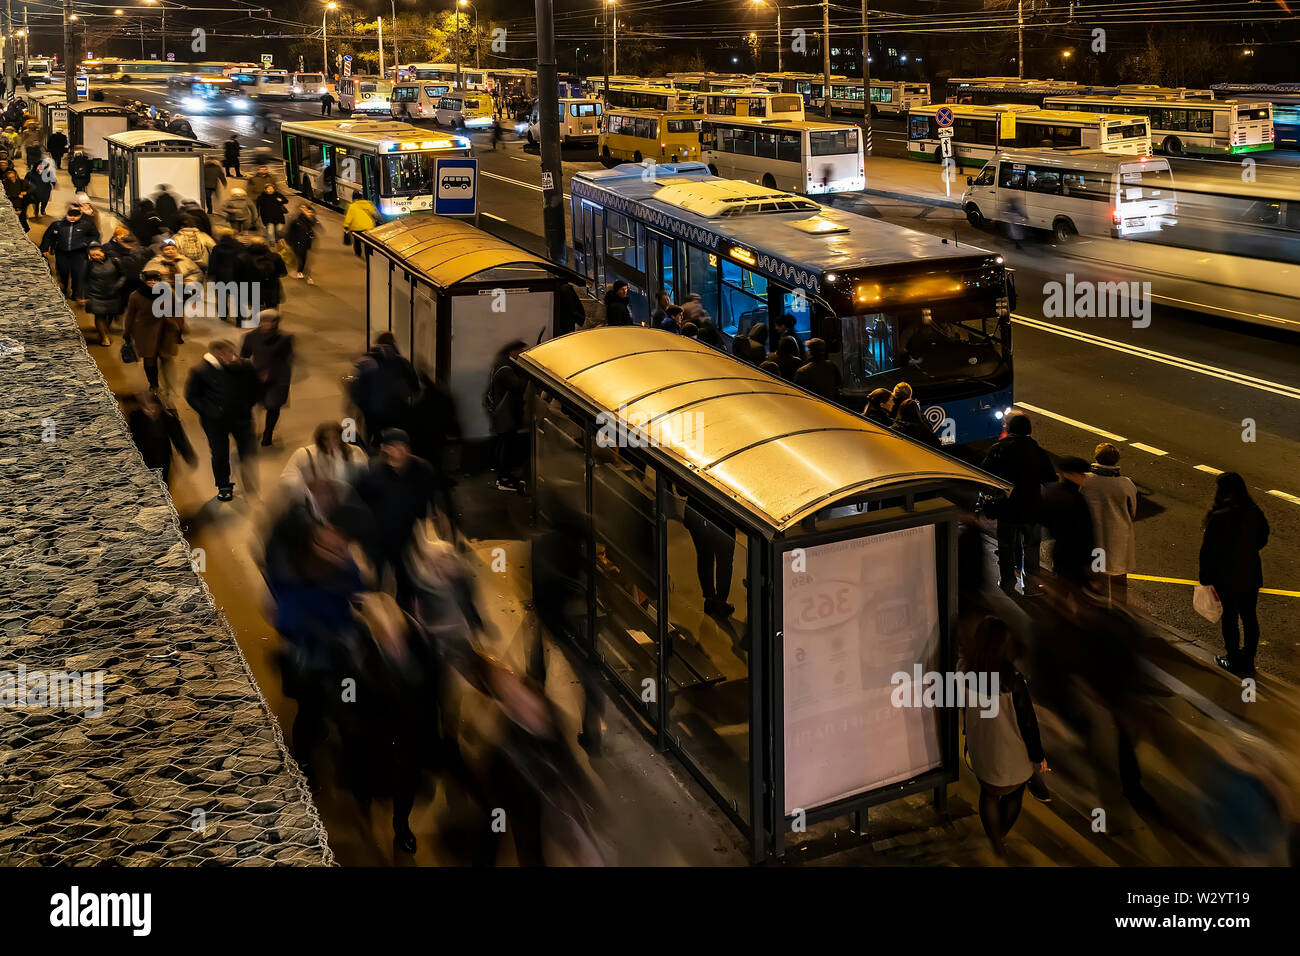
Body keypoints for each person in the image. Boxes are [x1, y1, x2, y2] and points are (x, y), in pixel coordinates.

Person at [961, 616, 1047, 859]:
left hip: (981, 750)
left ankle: (994, 840)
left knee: (987, 793)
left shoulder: (963, 672)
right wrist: (1038, 755)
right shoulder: (1012, 682)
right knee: (1014, 794)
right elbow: (1028, 723)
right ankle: (1001, 836)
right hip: (1012, 756)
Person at [355, 428, 446, 608]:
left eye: (403, 446)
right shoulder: (373, 473)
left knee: (406, 581)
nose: (400, 451)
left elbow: (430, 501)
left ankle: (407, 613)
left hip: (407, 538)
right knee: (373, 581)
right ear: (385, 448)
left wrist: (433, 530)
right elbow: (360, 502)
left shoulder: (423, 470)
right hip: (378, 538)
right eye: (394, 446)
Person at [980, 411, 1057, 597]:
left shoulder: (998, 449)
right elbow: (1050, 479)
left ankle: (1007, 581)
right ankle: (1029, 585)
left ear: (1009, 429)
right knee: (1031, 547)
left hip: (1007, 508)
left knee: (1005, 545)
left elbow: (984, 473)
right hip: (1032, 508)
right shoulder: (1037, 451)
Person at [1200, 472, 1270, 676]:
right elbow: (1262, 538)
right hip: (1250, 572)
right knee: (1249, 616)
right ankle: (1248, 658)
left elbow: (1208, 551)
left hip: (1225, 576)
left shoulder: (1218, 516)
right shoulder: (1253, 510)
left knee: (1230, 617)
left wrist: (1205, 577)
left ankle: (1232, 657)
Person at [184, 339, 260, 502]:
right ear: (217, 353)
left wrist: (248, 404)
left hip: (241, 417)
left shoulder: (244, 367)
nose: (233, 356)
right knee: (220, 454)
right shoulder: (201, 371)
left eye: (233, 352)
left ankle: (246, 473)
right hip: (216, 422)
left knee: (247, 448)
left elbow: (255, 387)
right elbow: (192, 396)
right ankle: (224, 485)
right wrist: (210, 411)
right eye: (228, 352)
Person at [1081, 442, 1138, 605]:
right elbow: (1132, 512)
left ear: (1096, 458)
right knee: (1119, 584)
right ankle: (1120, 616)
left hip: (1095, 539)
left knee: (1098, 583)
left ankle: (1099, 616)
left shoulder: (1086, 481)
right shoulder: (1126, 484)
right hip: (1119, 540)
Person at [349, 332, 419, 446]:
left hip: (372, 414)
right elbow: (415, 388)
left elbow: (354, 389)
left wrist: (361, 408)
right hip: (398, 412)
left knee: (374, 442)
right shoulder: (403, 362)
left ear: (377, 343)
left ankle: (375, 457)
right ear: (393, 344)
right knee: (395, 442)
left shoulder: (363, 362)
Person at [124, 271, 186, 395]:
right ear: (144, 281)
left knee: (166, 357)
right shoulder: (135, 296)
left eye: (155, 280)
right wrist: (127, 332)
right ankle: (153, 384)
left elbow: (177, 311)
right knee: (149, 360)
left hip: (166, 330)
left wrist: (179, 329)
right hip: (145, 331)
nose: (152, 282)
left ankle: (170, 387)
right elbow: (130, 315)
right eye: (149, 280)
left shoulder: (169, 293)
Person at [240, 309, 294, 446]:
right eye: (263, 321)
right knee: (251, 404)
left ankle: (268, 432)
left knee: (273, 406)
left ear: (275, 323)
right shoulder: (251, 336)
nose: (266, 324)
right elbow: (245, 355)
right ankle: (252, 431)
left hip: (277, 377)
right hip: (257, 376)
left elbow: (286, 359)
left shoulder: (284, 338)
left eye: (270, 321)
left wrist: (270, 373)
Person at [1040, 456, 1096, 588]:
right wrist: (1093, 562)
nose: (1085, 477)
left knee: (1063, 588)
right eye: (1081, 474)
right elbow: (1087, 533)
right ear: (1071, 475)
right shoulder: (1076, 499)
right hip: (1076, 555)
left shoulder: (1050, 490)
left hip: (1059, 550)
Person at [126, 389, 196, 485]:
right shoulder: (136, 418)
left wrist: (187, 454)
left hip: (163, 458)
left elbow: (178, 438)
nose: (152, 411)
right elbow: (132, 438)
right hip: (144, 458)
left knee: (164, 483)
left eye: (154, 407)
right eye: (148, 409)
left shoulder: (168, 419)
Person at [485, 340, 529, 492]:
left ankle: (504, 476)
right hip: (505, 416)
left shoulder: (501, 364)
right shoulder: (505, 369)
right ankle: (503, 479)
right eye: (520, 351)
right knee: (505, 446)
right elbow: (518, 385)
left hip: (503, 414)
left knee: (504, 445)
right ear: (512, 351)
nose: (521, 354)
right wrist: (525, 372)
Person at [281, 422, 368, 497]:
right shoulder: (305, 453)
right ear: (319, 440)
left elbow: (363, 475)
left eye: (335, 438)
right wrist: (305, 489)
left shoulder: (354, 451)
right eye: (326, 439)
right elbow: (288, 478)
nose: (331, 442)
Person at [39, 204, 98, 300]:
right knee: (63, 271)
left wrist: (86, 243)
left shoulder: (86, 225)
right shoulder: (58, 225)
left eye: (76, 216)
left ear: (80, 216)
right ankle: (64, 287)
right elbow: (48, 236)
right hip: (62, 253)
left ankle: (76, 293)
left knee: (78, 274)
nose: (73, 218)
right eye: (70, 216)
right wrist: (44, 248)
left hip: (79, 253)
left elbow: (94, 235)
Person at [84, 241, 125, 347]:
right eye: (92, 255)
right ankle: (104, 337)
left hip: (112, 293)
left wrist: (118, 285)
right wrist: (84, 295)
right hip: (96, 294)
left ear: (103, 253)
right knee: (99, 315)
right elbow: (84, 279)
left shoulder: (114, 261)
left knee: (110, 314)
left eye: (97, 254)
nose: (95, 257)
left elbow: (123, 275)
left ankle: (104, 331)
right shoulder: (89, 265)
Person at [206, 227, 244, 321]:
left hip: (221, 275)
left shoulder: (217, 247)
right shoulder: (240, 246)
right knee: (239, 297)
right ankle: (239, 318)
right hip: (238, 274)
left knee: (222, 295)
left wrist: (211, 275)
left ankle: (223, 315)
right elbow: (244, 260)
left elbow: (213, 263)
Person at [793, 337, 841, 402]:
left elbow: (797, 394)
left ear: (809, 352)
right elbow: (839, 384)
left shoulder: (802, 371)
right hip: (831, 404)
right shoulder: (832, 365)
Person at [285, 203, 318, 282]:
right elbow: (290, 232)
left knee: (303, 258)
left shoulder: (310, 220)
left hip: (306, 243)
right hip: (297, 242)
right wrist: (288, 242)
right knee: (301, 258)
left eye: (311, 213)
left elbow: (314, 227)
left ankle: (301, 271)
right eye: (308, 212)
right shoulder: (297, 221)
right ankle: (300, 272)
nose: (309, 214)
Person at [24, 153, 52, 218]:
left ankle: (43, 210)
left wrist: (53, 184)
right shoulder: (30, 174)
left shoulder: (48, 173)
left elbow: (53, 180)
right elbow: (25, 181)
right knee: (36, 201)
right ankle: (36, 211)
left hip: (45, 190)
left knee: (45, 201)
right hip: (35, 190)